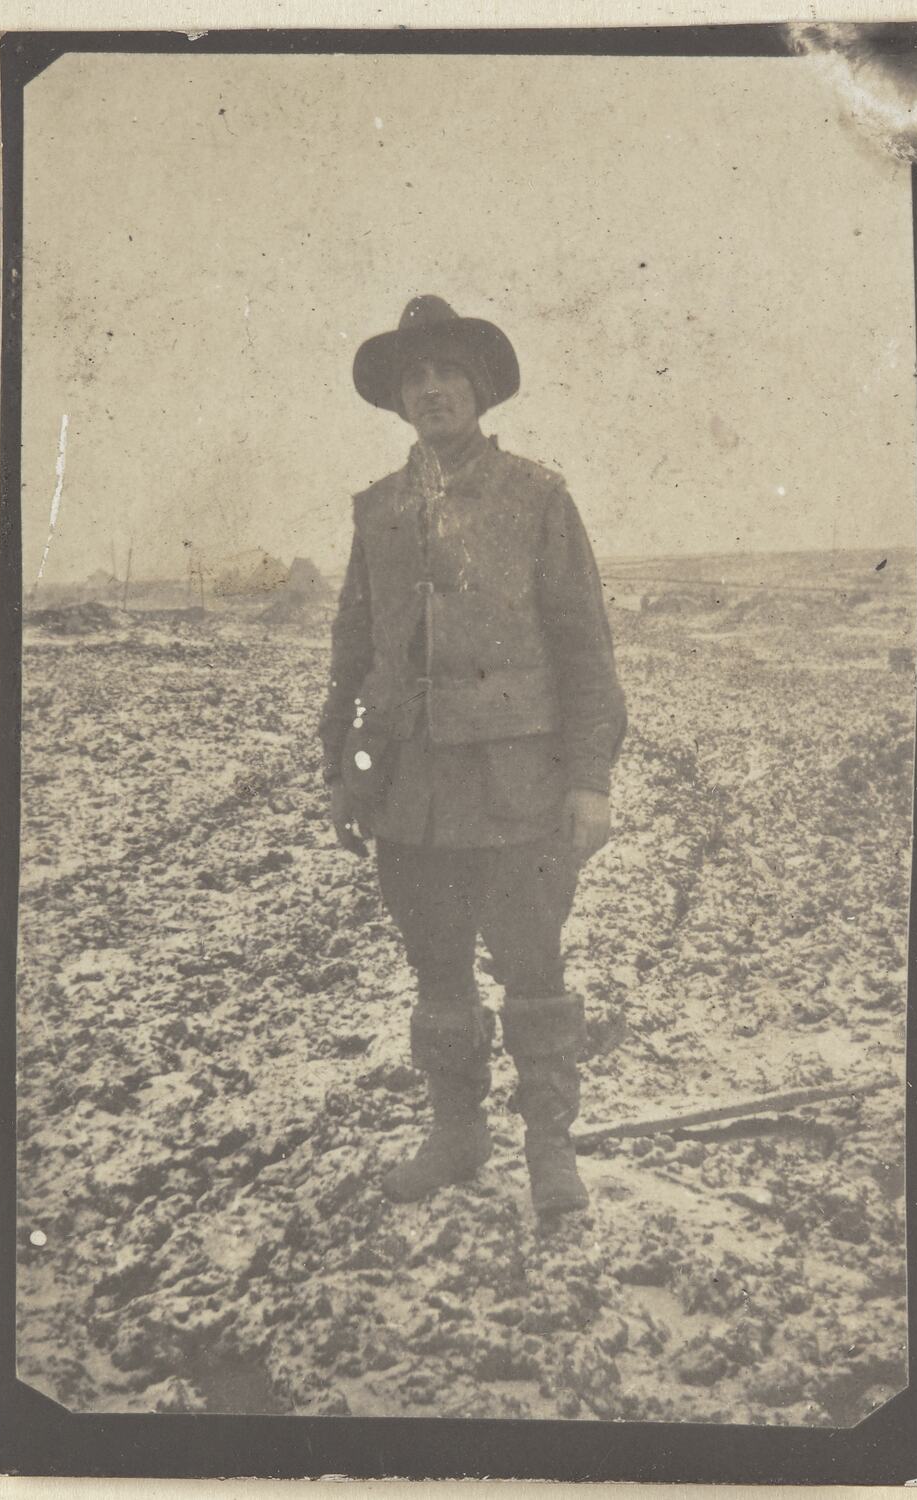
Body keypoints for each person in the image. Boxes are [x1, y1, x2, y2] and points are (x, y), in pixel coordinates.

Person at [319, 295, 626, 1218]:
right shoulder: (378, 509)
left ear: (481, 388)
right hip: (409, 791)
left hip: (518, 791)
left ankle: (548, 1153)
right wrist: (342, 773)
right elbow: (354, 650)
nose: (432, 387)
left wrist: (588, 780)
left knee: (533, 968)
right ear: (399, 399)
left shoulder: (537, 497)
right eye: (415, 376)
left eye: (448, 371)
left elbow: (586, 651)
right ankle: (457, 1135)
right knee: (438, 967)